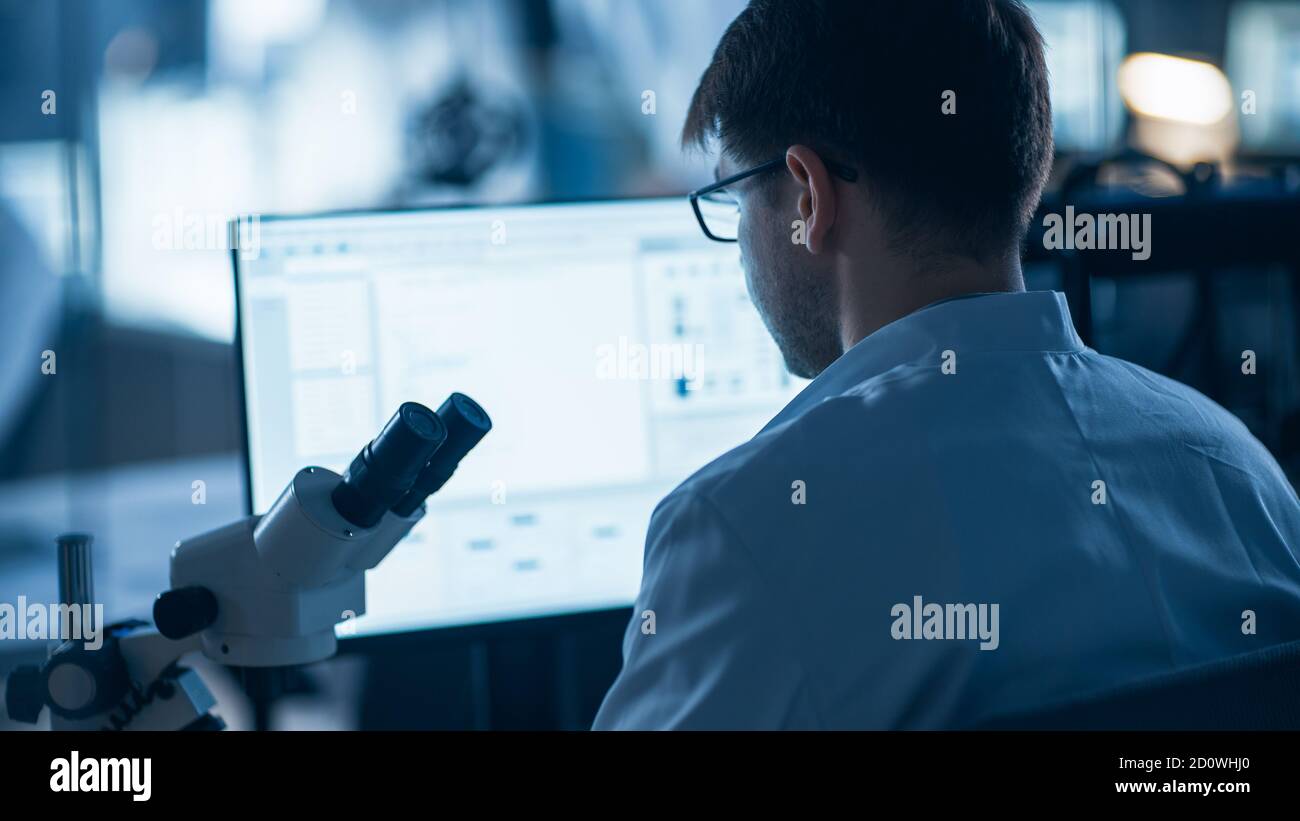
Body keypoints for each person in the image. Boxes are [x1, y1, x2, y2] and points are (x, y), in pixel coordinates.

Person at [592, 0, 1300, 729]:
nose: (739, 240)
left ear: (808, 194)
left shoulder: (738, 536)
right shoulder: (1239, 475)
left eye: (735, 196)